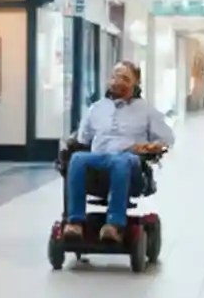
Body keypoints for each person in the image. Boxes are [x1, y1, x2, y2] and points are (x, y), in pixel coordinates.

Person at [64, 61, 175, 243]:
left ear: (135, 84)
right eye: (115, 76)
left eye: (125, 78)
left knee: (120, 161)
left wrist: (153, 146)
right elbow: (82, 139)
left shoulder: (146, 110)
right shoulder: (97, 108)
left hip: (129, 161)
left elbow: (167, 138)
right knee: (77, 158)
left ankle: (114, 224)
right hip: (99, 158)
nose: (118, 81)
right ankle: (75, 222)